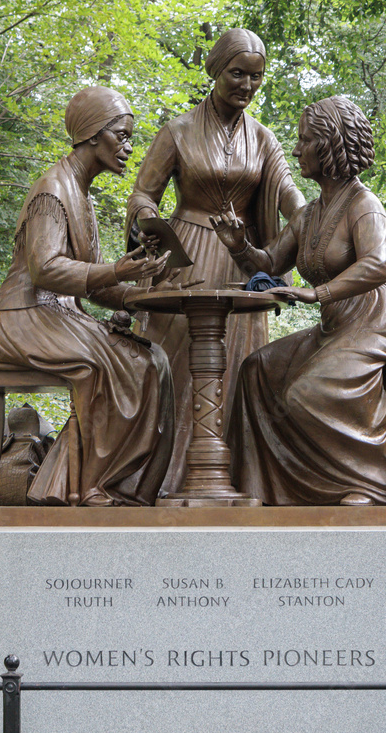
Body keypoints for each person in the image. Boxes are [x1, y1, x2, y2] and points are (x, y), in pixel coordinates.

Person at [210, 95, 386, 506]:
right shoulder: (309, 214)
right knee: (256, 370)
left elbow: (379, 265)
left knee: (307, 392)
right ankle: (266, 491)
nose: (296, 150)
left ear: (329, 147)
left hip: (378, 322)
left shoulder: (365, 205)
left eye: (304, 140)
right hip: (335, 326)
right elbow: (271, 261)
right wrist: (240, 247)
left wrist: (317, 292)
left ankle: (378, 485)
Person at [126, 28, 305, 493]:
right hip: (184, 256)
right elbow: (144, 192)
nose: (246, 85)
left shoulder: (264, 140)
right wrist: (148, 220)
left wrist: (309, 220)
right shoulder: (178, 130)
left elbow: (288, 192)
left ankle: (231, 478)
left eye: (256, 77)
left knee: (238, 363)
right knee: (178, 366)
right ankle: (166, 480)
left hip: (240, 262)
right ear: (215, 71)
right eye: (237, 73)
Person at [0, 86, 175, 506]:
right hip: (22, 317)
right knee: (100, 363)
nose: (127, 147)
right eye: (120, 136)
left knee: (151, 359)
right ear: (92, 136)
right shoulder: (53, 190)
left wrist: (144, 292)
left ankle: (119, 484)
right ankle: (86, 486)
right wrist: (117, 271)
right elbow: (45, 268)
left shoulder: (83, 198)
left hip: (56, 315)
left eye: (129, 137)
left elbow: (98, 284)